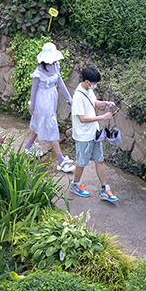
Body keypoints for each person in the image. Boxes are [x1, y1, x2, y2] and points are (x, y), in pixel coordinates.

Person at [69, 65, 119, 203]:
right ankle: (75, 184)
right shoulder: (78, 96)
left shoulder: (88, 90)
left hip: (94, 134)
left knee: (99, 160)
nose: (95, 86)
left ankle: (105, 189)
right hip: (83, 135)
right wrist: (102, 118)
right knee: (82, 163)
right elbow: (82, 118)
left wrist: (105, 103)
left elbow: (93, 102)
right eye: (94, 83)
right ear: (87, 82)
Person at [23, 41, 75, 174]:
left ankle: (28, 148)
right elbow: (33, 91)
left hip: (52, 98)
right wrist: (32, 105)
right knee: (51, 128)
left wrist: (69, 98)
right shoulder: (38, 72)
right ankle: (61, 160)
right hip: (42, 100)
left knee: (39, 122)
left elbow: (60, 82)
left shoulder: (56, 66)